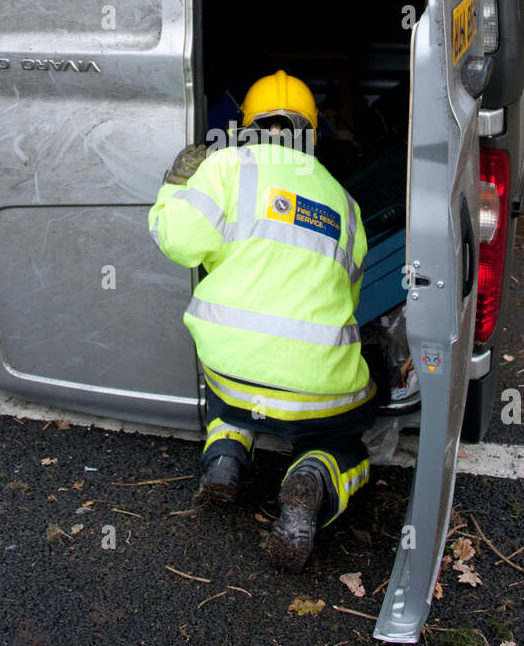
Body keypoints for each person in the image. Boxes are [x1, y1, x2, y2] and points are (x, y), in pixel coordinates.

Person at [148, 70, 377, 570]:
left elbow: (178, 240)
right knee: (343, 437)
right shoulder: (346, 203)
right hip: (318, 385)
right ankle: (317, 472)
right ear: (312, 134)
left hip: (231, 370)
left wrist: (175, 184)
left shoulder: (227, 166)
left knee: (227, 393)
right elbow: (349, 301)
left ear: (245, 126)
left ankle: (226, 458)